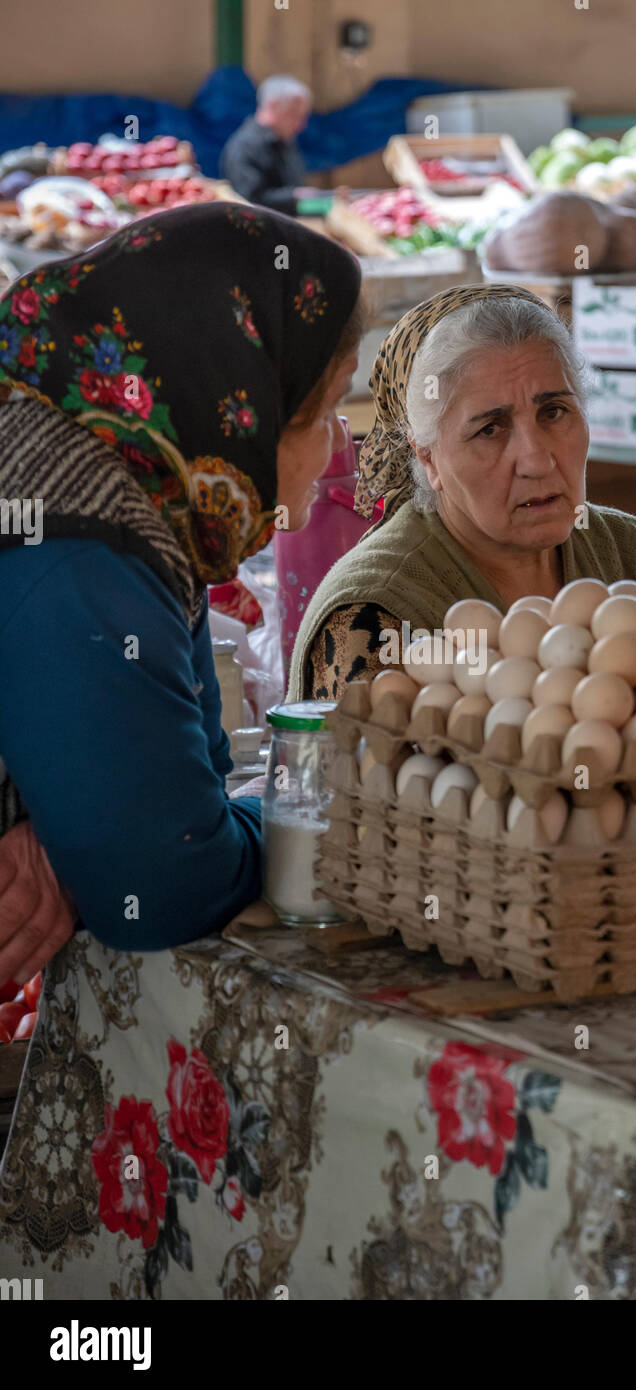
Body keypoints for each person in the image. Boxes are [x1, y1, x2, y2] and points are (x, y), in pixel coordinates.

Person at [0, 201, 361, 983]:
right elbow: (167, 888)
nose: (338, 444)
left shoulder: (128, 482)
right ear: (240, 406)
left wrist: (82, 832)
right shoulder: (89, 539)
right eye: (321, 411)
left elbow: (181, 787)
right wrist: (303, 811)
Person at [288, 285, 636, 702]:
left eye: (554, 412)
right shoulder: (374, 617)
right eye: (490, 429)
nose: (537, 461)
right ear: (427, 458)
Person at [220, 74, 319, 216]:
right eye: (294, 114)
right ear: (272, 106)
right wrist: (294, 196)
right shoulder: (245, 146)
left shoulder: (285, 141)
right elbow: (248, 199)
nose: (301, 125)